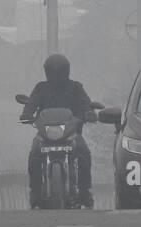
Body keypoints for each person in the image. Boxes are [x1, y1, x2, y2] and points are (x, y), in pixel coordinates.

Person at [21, 53, 98, 208]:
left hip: (72, 134)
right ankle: (35, 191)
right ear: (47, 72)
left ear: (67, 71)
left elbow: (86, 103)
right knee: (34, 154)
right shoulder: (40, 88)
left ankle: (84, 191)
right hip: (45, 135)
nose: (56, 75)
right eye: (52, 71)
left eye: (60, 71)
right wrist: (27, 113)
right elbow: (31, 103)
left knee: (84, 153)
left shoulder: (76, 87)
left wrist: (89, 113)